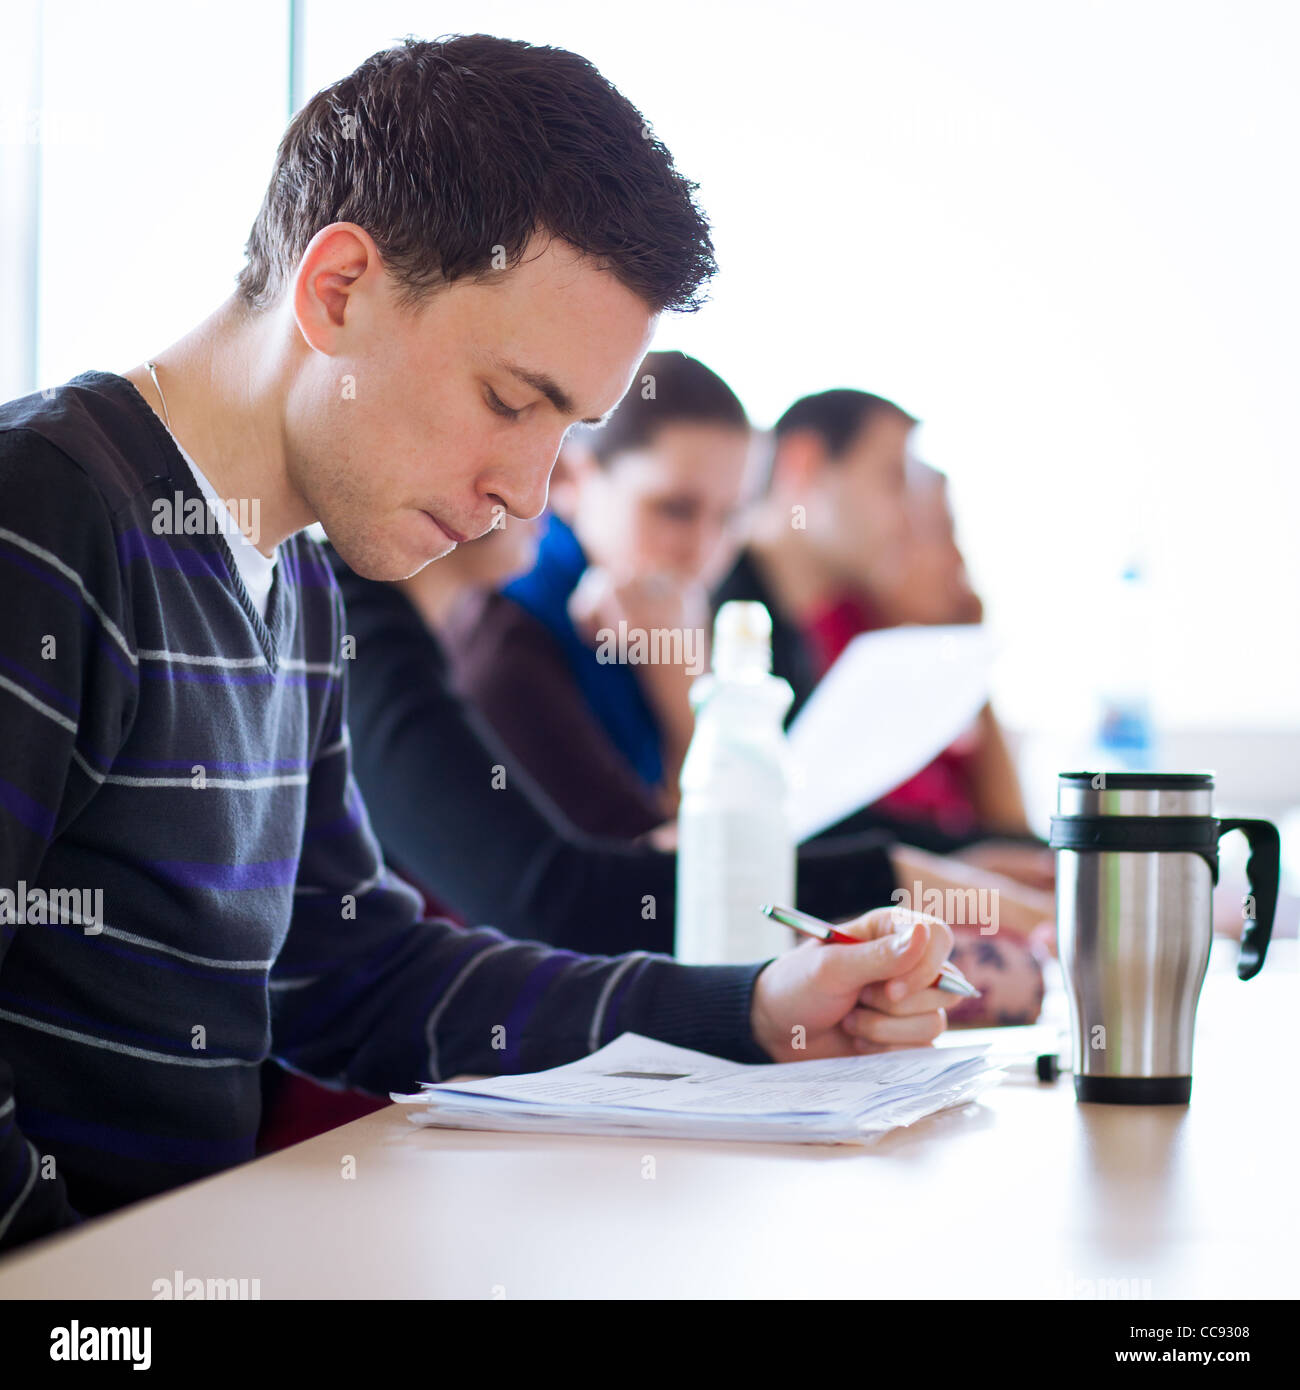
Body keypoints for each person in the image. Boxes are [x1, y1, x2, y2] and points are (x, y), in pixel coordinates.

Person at [0, 35, 957, 1251]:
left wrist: (760, 1008)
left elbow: (356, 973)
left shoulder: (295, 580)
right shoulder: (39, 521)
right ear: (337, 288)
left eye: (567, 430)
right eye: (512, 402)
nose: (527, 492)